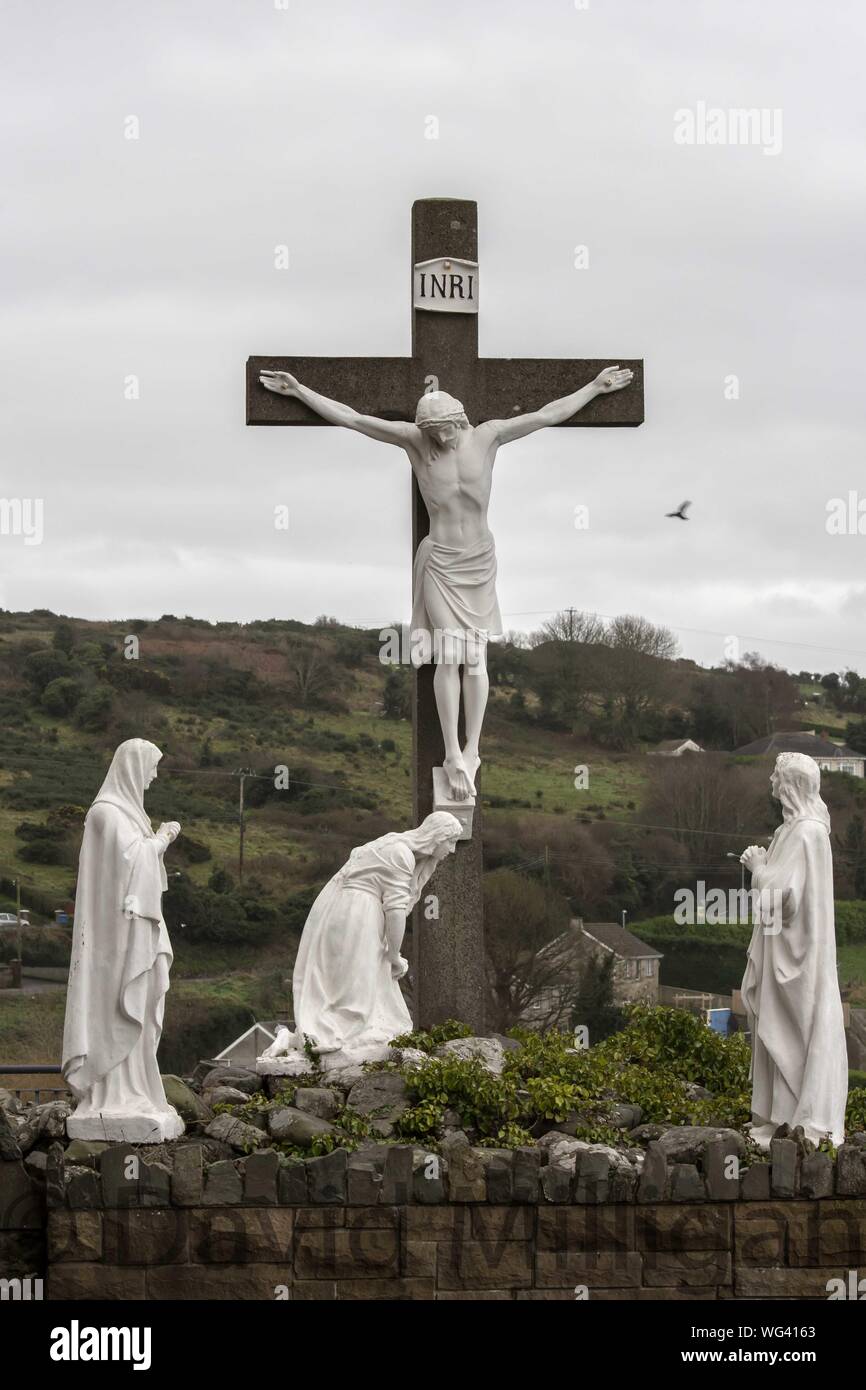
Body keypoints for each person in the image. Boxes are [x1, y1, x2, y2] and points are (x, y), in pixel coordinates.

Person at [259, 366, 633, 800]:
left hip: (477, 560)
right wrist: (301, 389)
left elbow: (547, 414)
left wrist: (594, 387)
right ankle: (451, 752)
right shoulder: (416, 443)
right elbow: (354, 419)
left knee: (476, 656)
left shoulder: (489, 436)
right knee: (449, 654)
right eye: (432, 434)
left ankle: (472, 749)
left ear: (459, 421)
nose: (441, 440)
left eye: (445, 432)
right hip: (440, 560)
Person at [262, 811, 463, 1068]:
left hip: (338, 909)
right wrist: (393, 956)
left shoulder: (388, 842)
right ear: (436, 837)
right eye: (450, 841)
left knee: (348, 986)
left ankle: (294, 1040)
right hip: (359, 913)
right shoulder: (401, 854)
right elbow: (395, 910)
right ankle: (320, 1042)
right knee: (356, 990)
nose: (453, 849)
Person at [62, 739, 184, 1142]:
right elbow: (131, 865)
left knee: (144, 1007)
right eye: (150, 768)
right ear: (132, 767)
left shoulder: (129, 814)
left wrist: (155, 840)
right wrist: (164, 838)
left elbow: (137, 863)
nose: (152, 777)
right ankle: (113, 1091)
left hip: (135, 931)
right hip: (115, 941)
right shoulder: (107, 814)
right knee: (119, 1005)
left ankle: (136, 1089)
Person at [740, 752, 848, 1148]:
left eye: (777, 775)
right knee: (782, 1033)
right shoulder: (791, 832)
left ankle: (803, 1120)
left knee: (795, 1034)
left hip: (798, 959)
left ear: (792, 785)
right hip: (785, 950)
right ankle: (779, 1119)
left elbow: (783, 898)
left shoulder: (806, 833)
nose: (771, 780)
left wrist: (757, 867)